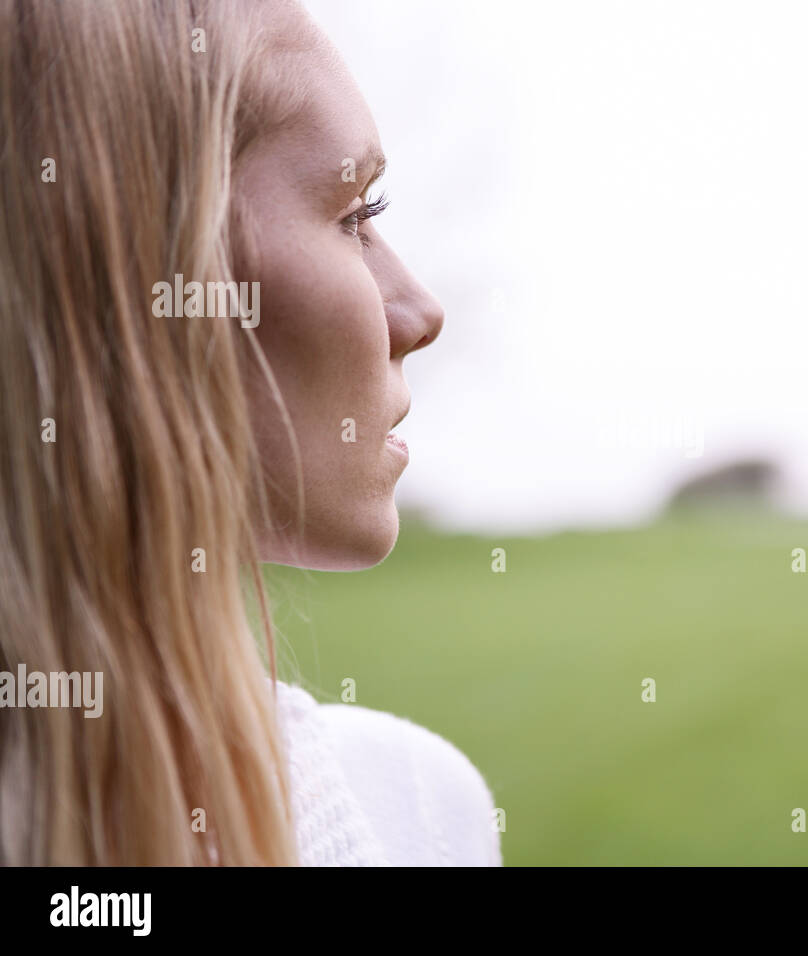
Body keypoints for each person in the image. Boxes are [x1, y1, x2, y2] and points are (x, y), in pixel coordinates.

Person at [0, 0, 500, 866]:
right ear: (136, 273)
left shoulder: (427, 813)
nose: (420, 313)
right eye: (353, 213)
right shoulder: (405, 816)